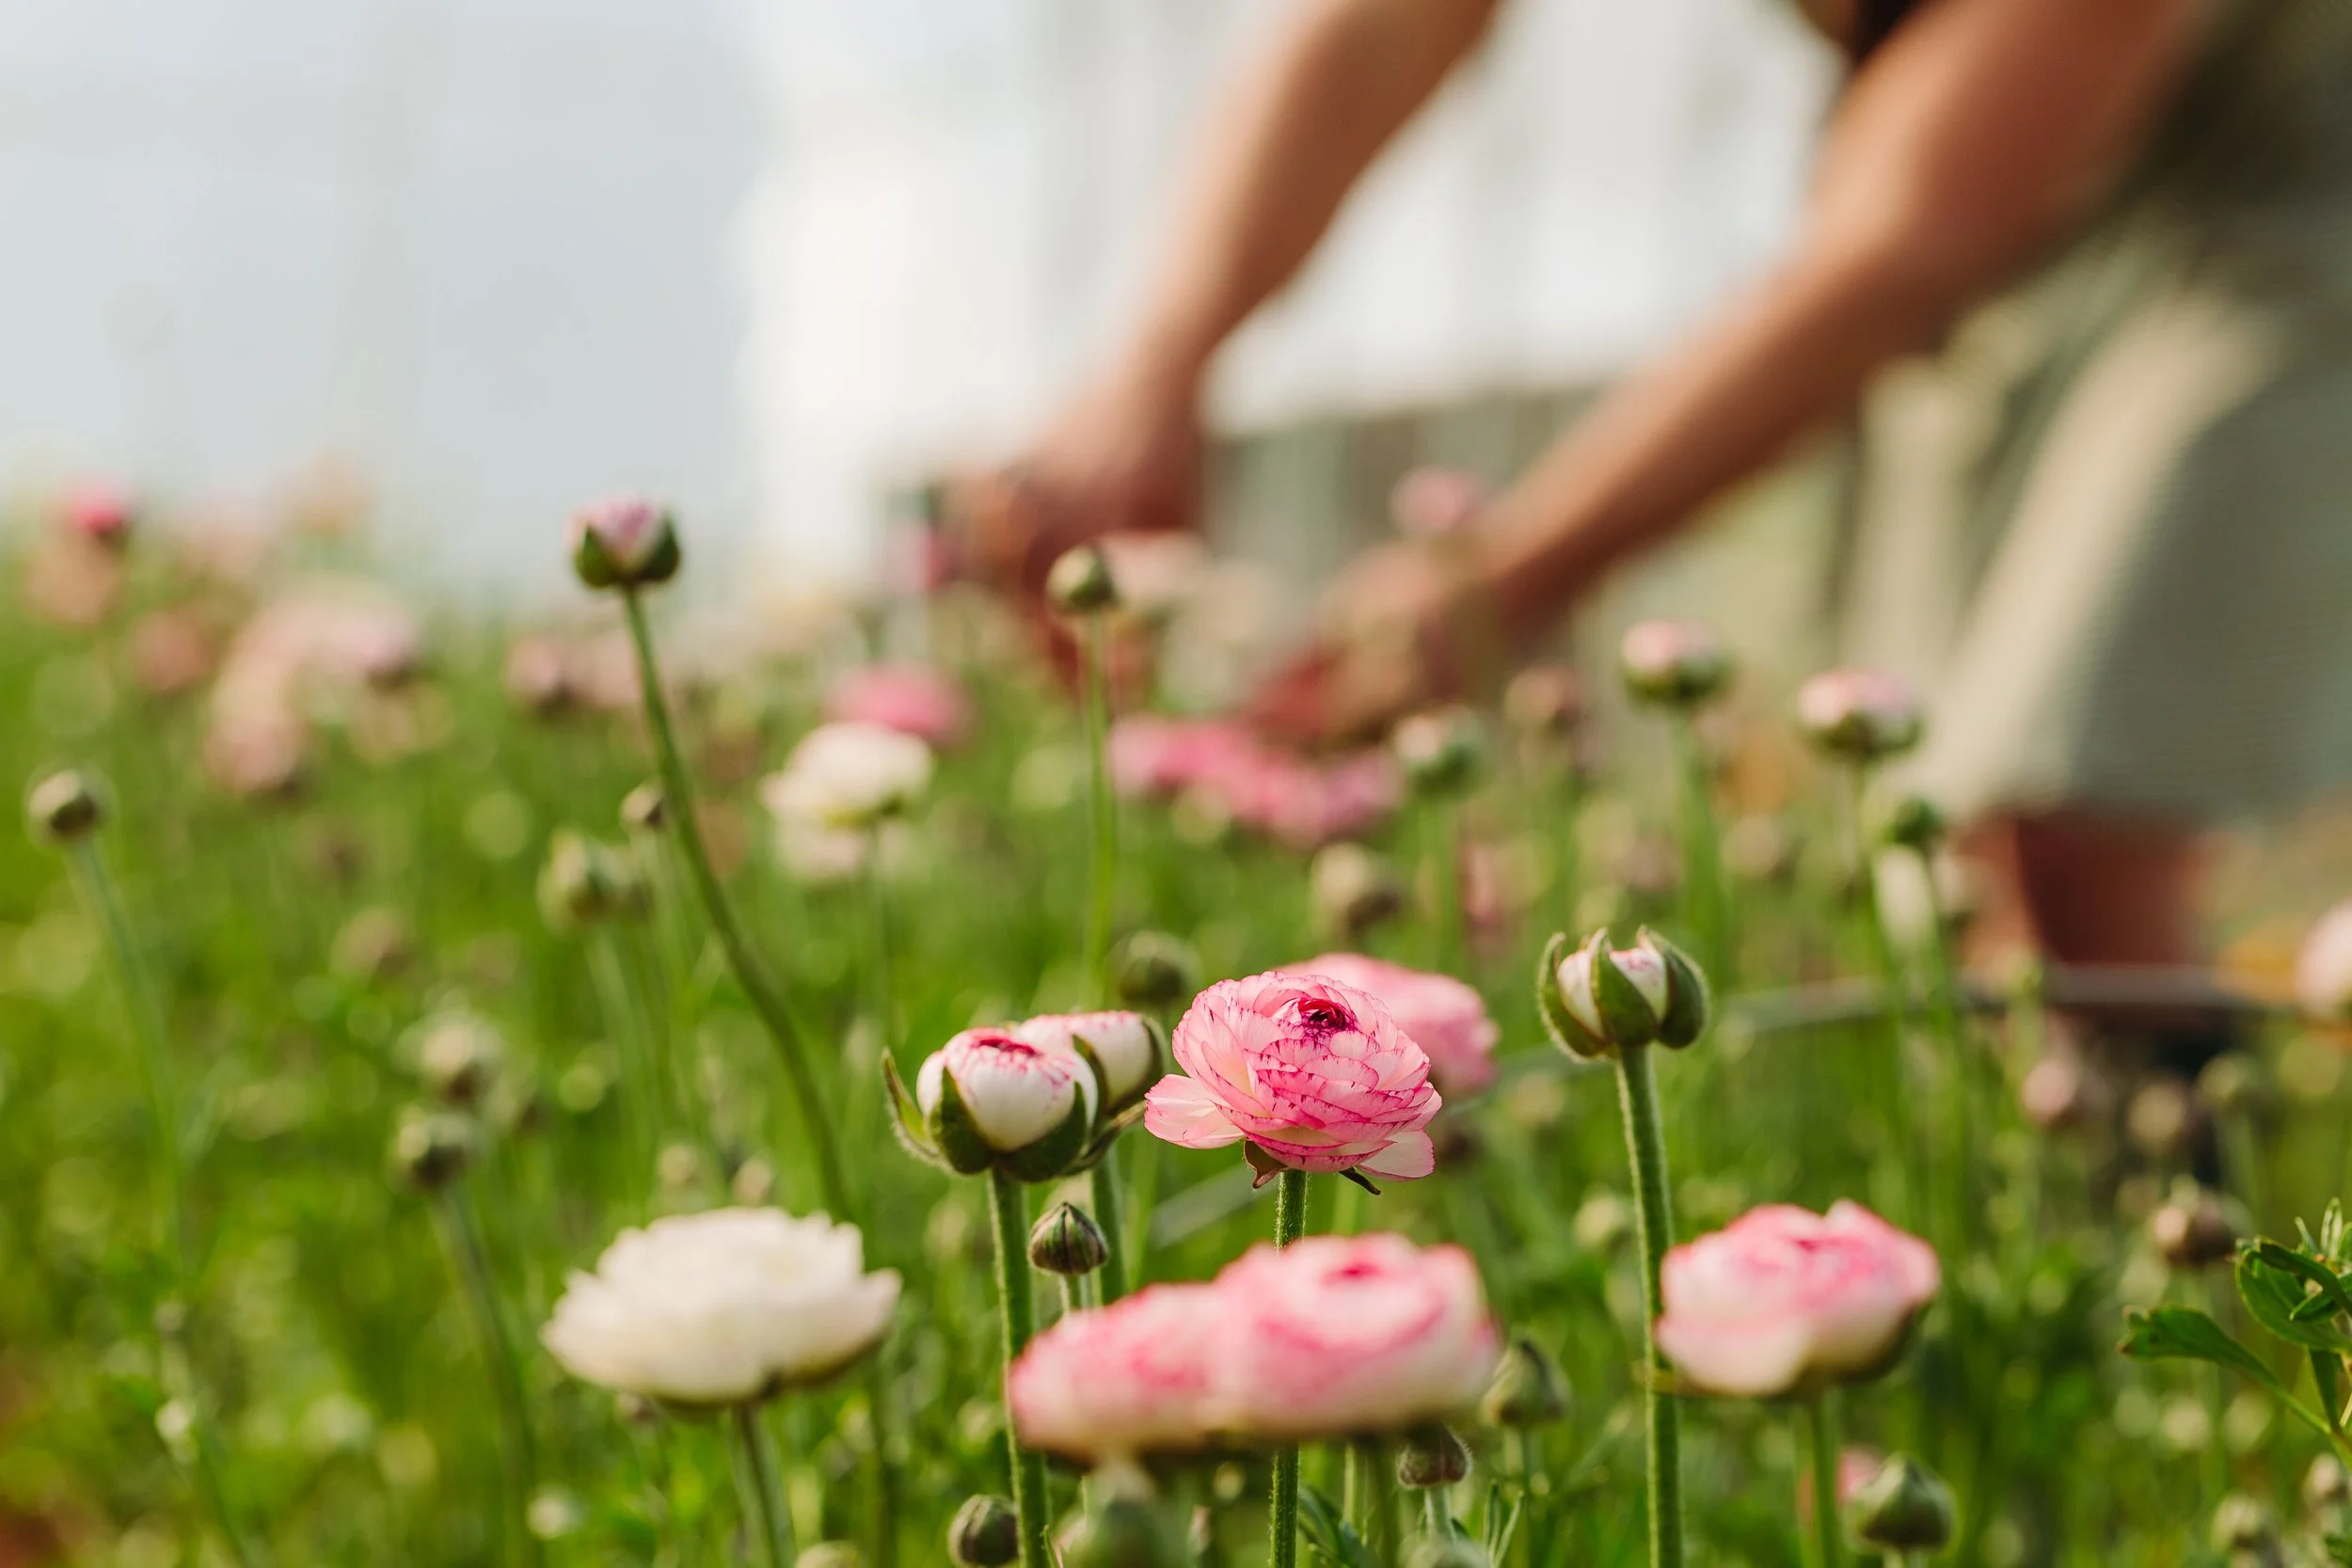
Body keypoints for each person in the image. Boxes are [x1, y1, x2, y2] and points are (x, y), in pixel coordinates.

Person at [959, 0, 2352, 1010]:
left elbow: (1906, 235)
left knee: (2072, 777)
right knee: (1960, 829)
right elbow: (1381, 23)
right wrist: (1152, 377)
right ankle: (2120, 1253)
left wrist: (1502, 582)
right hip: (2009, 170)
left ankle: (2231, 1335)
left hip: (2277, 171)